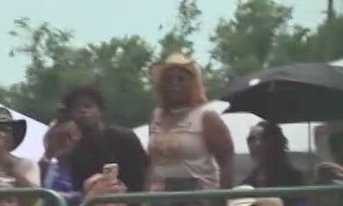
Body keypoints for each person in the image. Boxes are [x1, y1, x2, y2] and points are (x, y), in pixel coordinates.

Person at [146, 54, 234, 190]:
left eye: (181, 79)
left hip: (199, 194)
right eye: (168, 79)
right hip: (160, 194)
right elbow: (151, 164)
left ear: (193, 83)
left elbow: (226, 162)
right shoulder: (156, 116)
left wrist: (222, 198)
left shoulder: (206, 116)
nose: (174, 84)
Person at [60, 85, 149, 194]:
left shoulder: (125, 138)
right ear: (70, 114)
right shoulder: (73, 149)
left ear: (100, 109)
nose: (83, 111)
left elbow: (140, 176)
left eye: (87, 106)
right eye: (76, 108)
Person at [0, 107, 40, 187]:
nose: (2, 134)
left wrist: (10, 167)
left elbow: (34, 193)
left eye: (5, 130)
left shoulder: (25, 164)